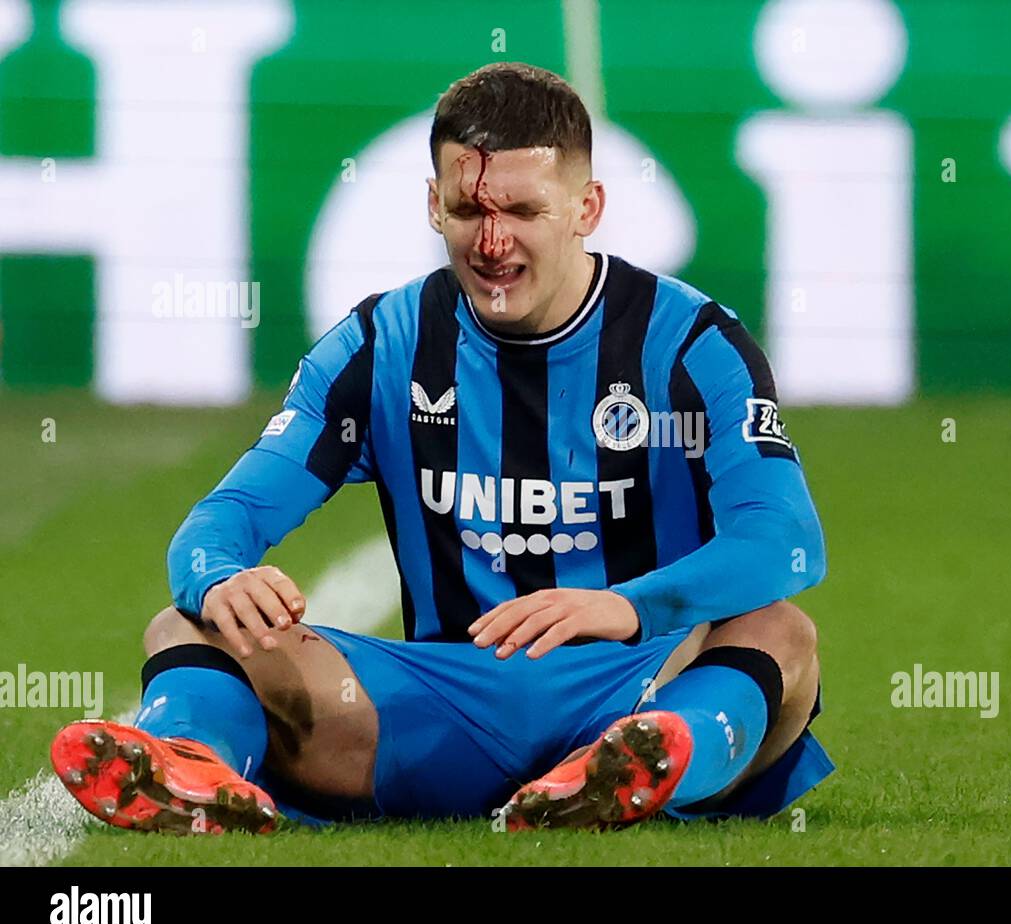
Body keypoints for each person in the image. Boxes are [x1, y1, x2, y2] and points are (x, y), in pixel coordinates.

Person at [51, 62, 832, 833]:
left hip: (639, 678)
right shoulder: (379, 346)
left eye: (523, 210)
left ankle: (644, 761)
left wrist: (626, 606)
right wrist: (219, 575)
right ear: (433, 204)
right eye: (467, 210)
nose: (492, 241)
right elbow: (229, 514)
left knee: (781, 633)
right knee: (184, 624)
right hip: (434, 707)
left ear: (587, 207)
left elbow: (786, 541)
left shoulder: (692, 344)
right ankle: (193, 765)